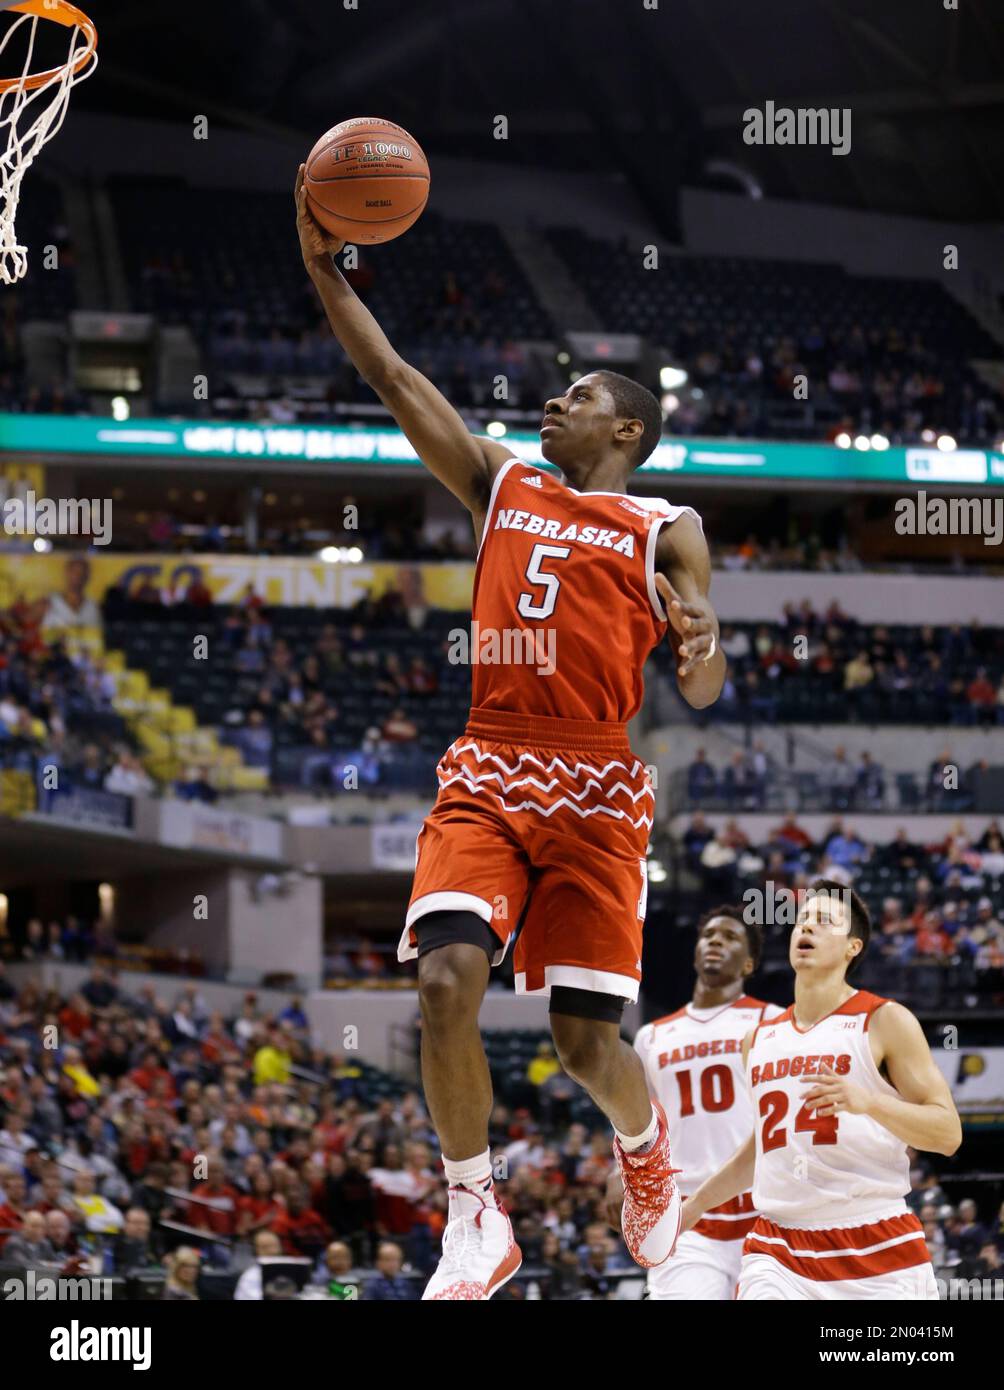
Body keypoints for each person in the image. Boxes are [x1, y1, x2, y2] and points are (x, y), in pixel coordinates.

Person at [294, 167, 725, 1300]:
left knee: (585, 1045)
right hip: (487, 758)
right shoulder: (500, 480)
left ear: (624, 427)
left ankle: (644, 1151)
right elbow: (391, 376)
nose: (553, 401)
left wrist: (699, 642)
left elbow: (710, 657)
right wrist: (323, 271)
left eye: (577, 393)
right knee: (443, 981)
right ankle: (473, 1209)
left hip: (595, 787)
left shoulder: (660, 523)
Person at [680, 881, 962, 1299]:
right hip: (779, 1247)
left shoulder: (884, 1020)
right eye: (802, 921)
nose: (806, 928)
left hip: (875, 1243)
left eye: (824, 921)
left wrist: (870, 1102)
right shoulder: (756, 1041)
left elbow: (947, 1134)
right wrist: (693, 1207)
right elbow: (765, 1146)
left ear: (853, 947)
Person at [610, 906, 784, 1300]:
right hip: (686, 1211)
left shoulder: (773, 1021)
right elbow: (638, 1122)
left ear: (750, 964)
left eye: (730, 937)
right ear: (695, 952)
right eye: (709, 936)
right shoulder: (651, 1036)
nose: (716, 942)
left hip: (766, 1206)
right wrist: (614, 1173)